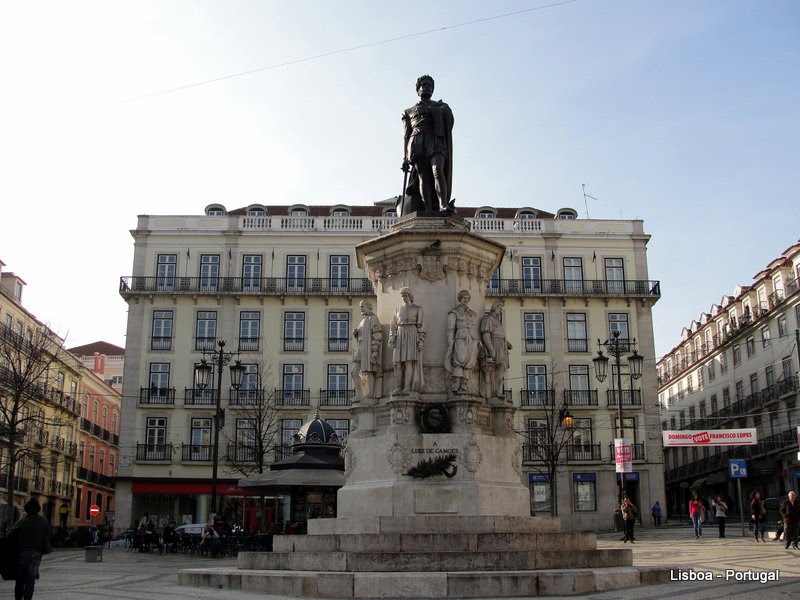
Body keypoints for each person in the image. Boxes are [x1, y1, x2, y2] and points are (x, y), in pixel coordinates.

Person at [401, 74, 454, 213]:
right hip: (417, 141)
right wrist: (405, 158)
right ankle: (428, 208)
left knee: (437, 169)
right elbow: (406, 135)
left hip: (436, 139)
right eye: (424, 85)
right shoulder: (408, 111)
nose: (427, 87)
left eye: (430, 85)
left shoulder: (440, 106)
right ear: (418, 89)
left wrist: (441, 110)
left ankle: (443, 204)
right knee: (423, 175)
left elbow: (449, 119)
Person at [9, 497, 52, 600]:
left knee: (20, 579)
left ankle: (18, 598)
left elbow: (10, 534)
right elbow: (48, 534)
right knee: (30, 580)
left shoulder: (22, 521)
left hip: (22, 553)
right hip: (36, 554)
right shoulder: (43, 520)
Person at [388, 287, 425, 394]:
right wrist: (392, 337)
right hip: (400, 334)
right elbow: (393, 326)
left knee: (409, 362)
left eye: (405, 295)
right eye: (402, 296)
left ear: (409, 296)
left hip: (412, 334)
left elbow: (421, 326)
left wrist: (421, 340)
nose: (403, 297)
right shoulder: (397, 309)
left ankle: (407, 386)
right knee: (397, 363)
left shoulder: (418, 309)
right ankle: (399, 386)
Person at [444, 290, 479, 394]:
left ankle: (464, 383)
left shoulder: (472, 313)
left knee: (469, 360)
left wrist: (477, 340)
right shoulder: (454, 312)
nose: (466, 300)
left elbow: (474, 327)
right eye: (464, 298)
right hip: (460, 337)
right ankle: (456, 382)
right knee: (459, 359)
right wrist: (450, 342)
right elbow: (450, 329)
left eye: (467, 299)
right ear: (460, 299)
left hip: (472, 338)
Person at [479, 300, 513, 400]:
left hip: (501, 345)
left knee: (502, 368)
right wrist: (491, 349)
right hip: (495, 345)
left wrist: (507, 344)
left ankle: (498, 391)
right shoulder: (488, 319)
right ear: (494, 307)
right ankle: (494, 391)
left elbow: (501, 335)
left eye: (501, 308)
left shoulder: (498, 321)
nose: (500, 310)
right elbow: (486, 334)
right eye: (499, 308)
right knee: (497, 368)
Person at [352, 299, 383, 399]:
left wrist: (374, 351)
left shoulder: (373, 319)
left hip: (368, 349)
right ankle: (360, 394)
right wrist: (356, 334)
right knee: (354, 372)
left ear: (368, 306)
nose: (360, 308)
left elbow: (377, 335)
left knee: (367, 371)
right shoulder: (362, 320)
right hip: (360, 349)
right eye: (360, 307)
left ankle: (368, 394)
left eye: (362, 306)